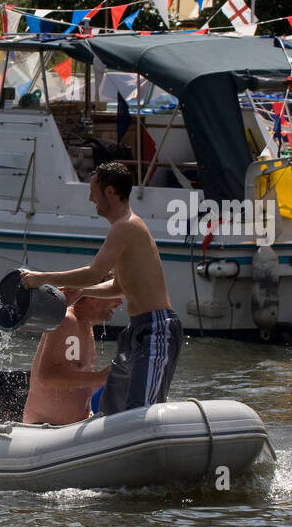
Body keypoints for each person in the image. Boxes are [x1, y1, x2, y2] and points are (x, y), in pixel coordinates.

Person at [20, 161, 182, 416]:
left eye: (93, 190)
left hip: (157, 327)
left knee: (141, 410)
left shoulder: (126, 226)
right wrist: (84, 292)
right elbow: (119, 287)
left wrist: (43, 278)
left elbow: (94, 273)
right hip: (136, 328)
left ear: (109, 191)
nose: (90, 197)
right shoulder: (121, 229)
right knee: (111, 408)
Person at [22, 290, 124, 425]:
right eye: (114, 296)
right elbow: (47, 376)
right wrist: (99, 378)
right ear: (94, 296)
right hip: (46, 429)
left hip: (69, 429)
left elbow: (77, 379)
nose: (120, 302)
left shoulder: (85, 326)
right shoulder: (67, 320)